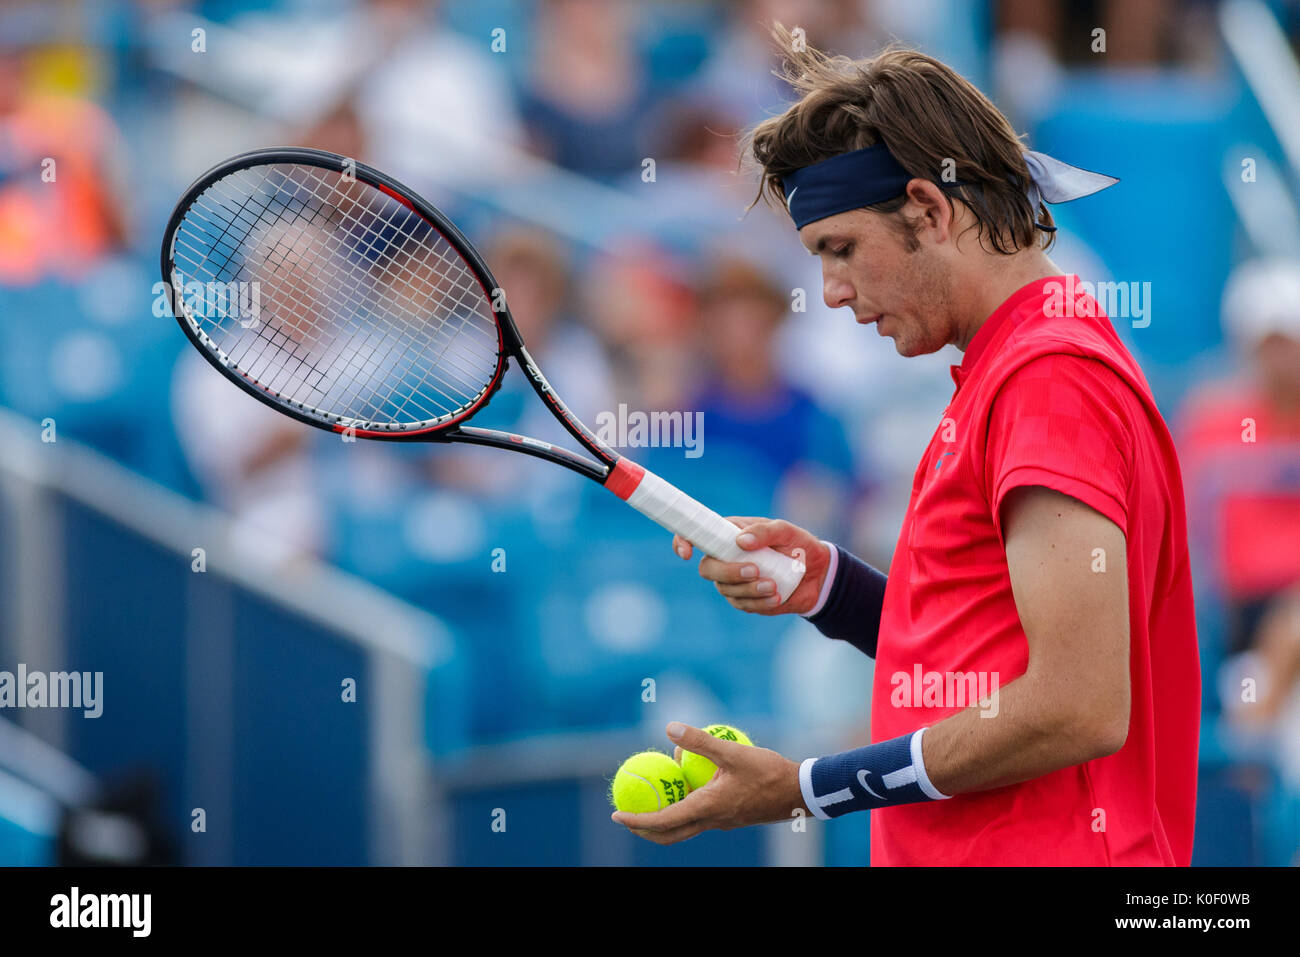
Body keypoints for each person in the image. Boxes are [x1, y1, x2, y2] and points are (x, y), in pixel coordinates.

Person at [612, 31, 1201, 866]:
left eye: (840, 249)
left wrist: (807, 786)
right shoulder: (1014, 365)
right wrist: (830, 587)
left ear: (928, 208)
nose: (831, 292)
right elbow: (979, 662)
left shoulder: (1048, 377)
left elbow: (1078, 704)